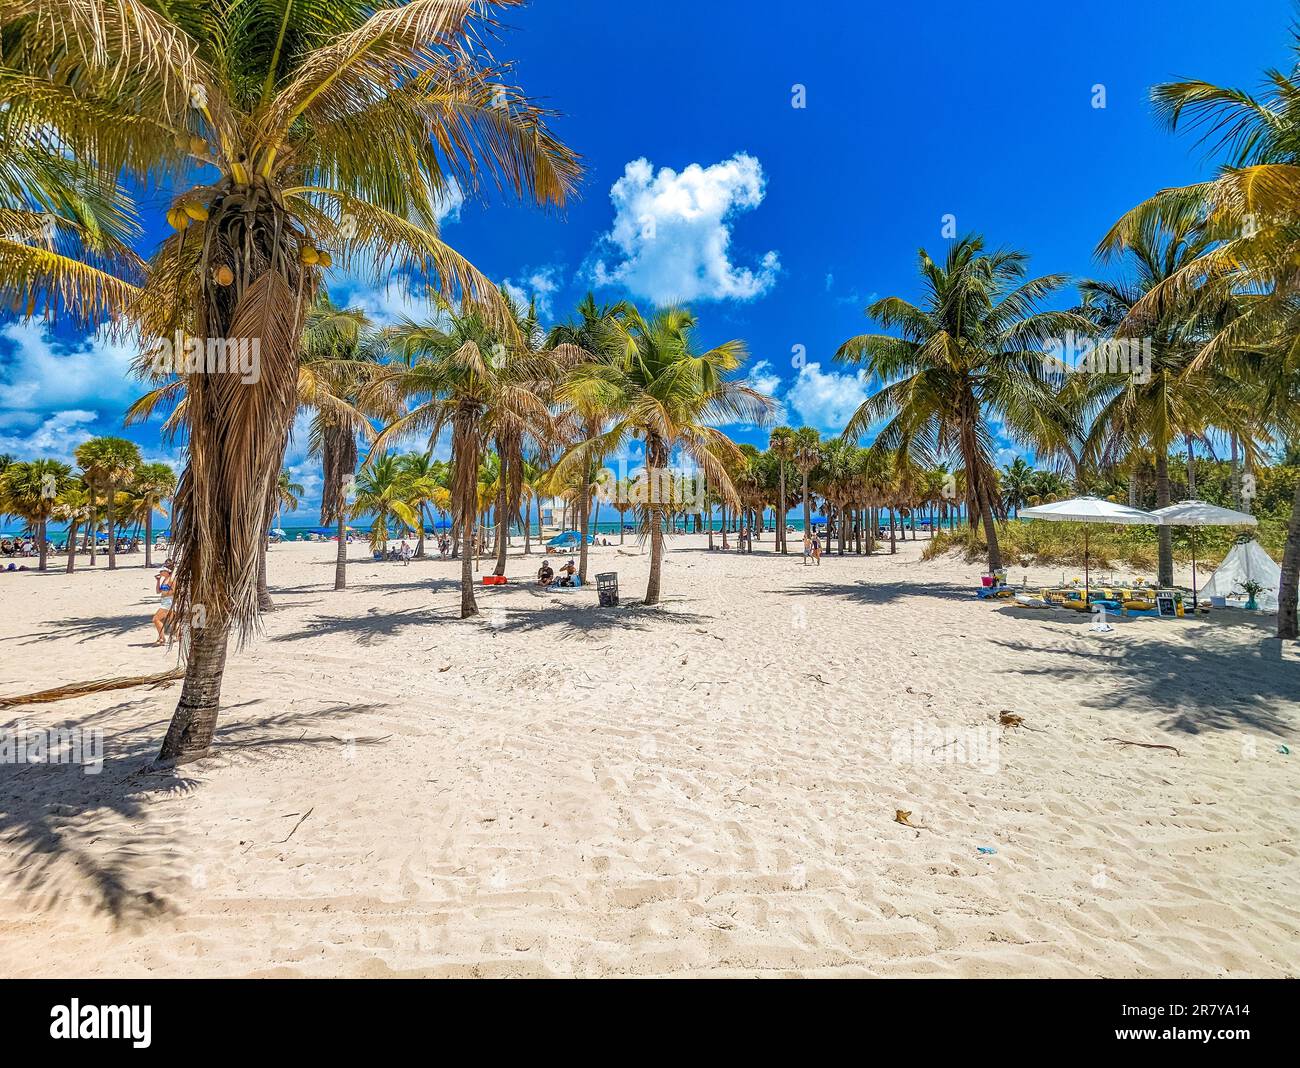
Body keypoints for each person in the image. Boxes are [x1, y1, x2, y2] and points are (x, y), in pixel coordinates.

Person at [152, 559, 175, 646]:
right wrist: (158, 581)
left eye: (162, 571)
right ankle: (178, 635)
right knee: (172, 620)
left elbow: (176, 592)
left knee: (156, 619)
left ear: (167, 572)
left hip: (168, 602)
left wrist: (166, 594)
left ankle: (162, 638)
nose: (160, 572)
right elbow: (158, 591)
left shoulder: (171, 580)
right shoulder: (164, 580)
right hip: (164, 602)